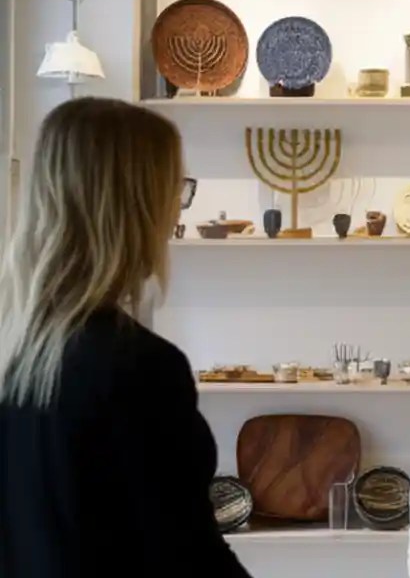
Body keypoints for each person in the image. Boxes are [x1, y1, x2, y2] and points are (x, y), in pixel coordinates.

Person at [0, 97, 252, 578]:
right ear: (136, 205)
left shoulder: (17, 354)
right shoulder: (136, 367)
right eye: (175, 189)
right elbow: (185, 555)